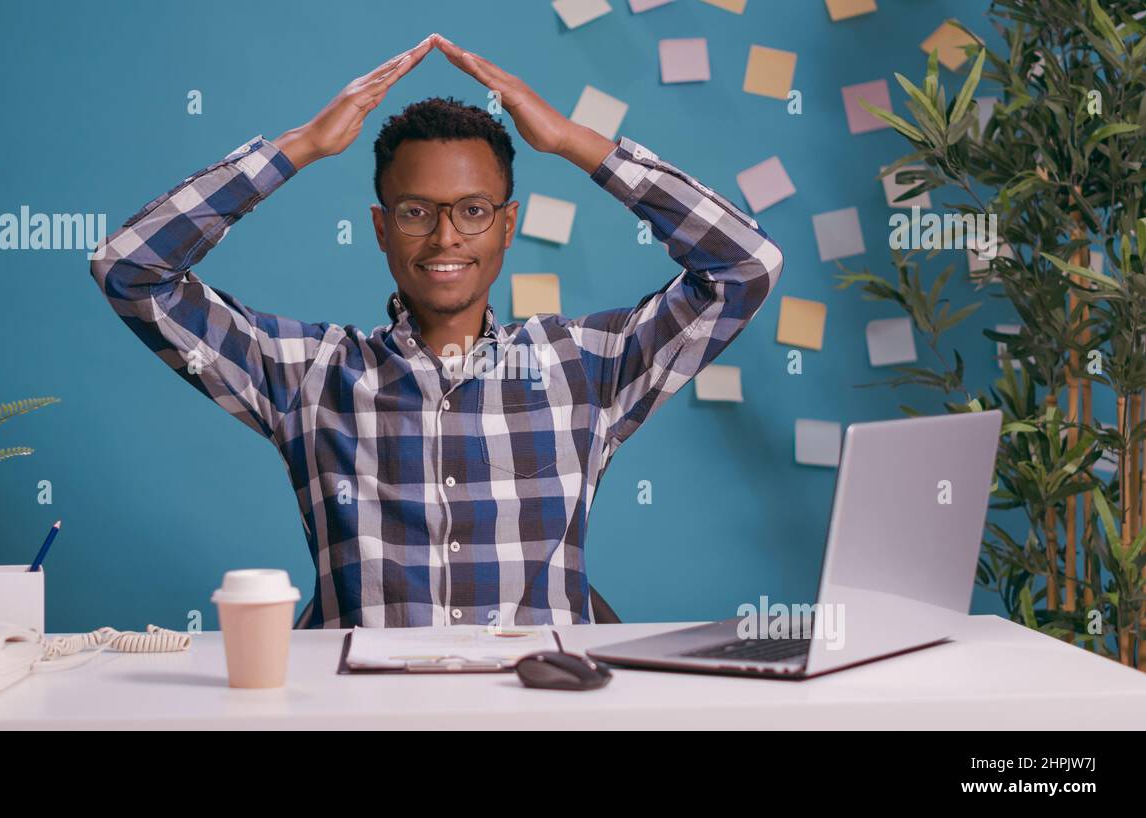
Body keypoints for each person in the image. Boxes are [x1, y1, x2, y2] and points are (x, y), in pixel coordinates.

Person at [90, 33, 784, 628]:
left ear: (508, 227)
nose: (446, 235)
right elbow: (130, 268)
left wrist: (572, 141)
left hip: (540, 710)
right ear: (382, 229)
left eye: (474, 210)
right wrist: (299, 147)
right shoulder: (308, 373)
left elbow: (744, 266)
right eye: (417, 211)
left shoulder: (586, 367)